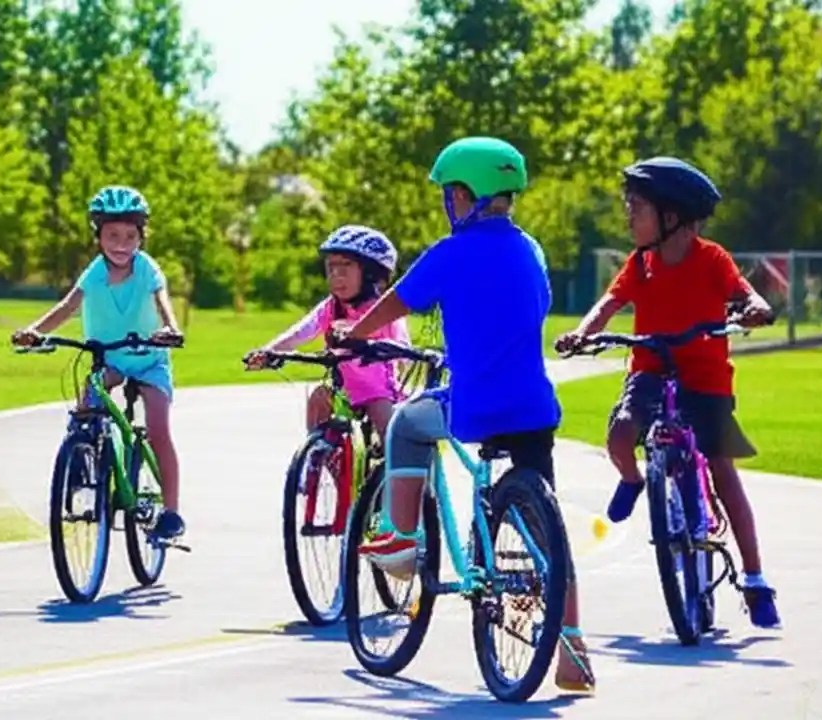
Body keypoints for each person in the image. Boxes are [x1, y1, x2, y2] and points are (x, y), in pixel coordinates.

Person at [335, 136, 596, 692]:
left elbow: (395, 303)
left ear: (464, 195)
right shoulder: (531, 249)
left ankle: (401, 536)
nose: (445, 205)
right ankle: (572, 650)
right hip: (533, 406)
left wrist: (351, 333)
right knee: (550, 534)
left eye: (448, 195)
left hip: (475, 406)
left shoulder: (450, 254)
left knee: (407, 422)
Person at [553, 156, 780, 629]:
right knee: (619, 435)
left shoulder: (712, 259)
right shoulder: (642, 264)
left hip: (705, 376)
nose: (628, 216)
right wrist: (583, 333)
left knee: (722, 469)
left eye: (636, 207)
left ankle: (756, 580)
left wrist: (756, 307)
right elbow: (609, 303)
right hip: (652, 369)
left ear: (671, 217)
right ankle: (635, 480)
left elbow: (744, 295)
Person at [11, 185, 186, 540]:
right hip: (111, 358)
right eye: (112, 236)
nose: (121, 244)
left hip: (149, 359)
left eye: (130, 236)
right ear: (98, 238)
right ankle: (79, 457)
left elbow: (162, 301)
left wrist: (171, 327)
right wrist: (33, 331)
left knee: (157, 429)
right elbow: (68, 306)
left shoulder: (147, 269)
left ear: (141, 237)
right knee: (86, 405)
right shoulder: (94, 272)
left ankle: (171, 512)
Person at [243, 224, 409, 439]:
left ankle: (393, 470)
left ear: (370, 274)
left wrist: (399, 356)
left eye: (346, 266)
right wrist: (269, 351)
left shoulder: (383, 309)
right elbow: (300, 332)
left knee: (390, 435)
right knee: (318, 401)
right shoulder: (331, 307)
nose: (336, 275)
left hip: (379, 391)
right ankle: (317, 459)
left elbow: (403, 346)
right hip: (343, 388)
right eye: (331, 267)